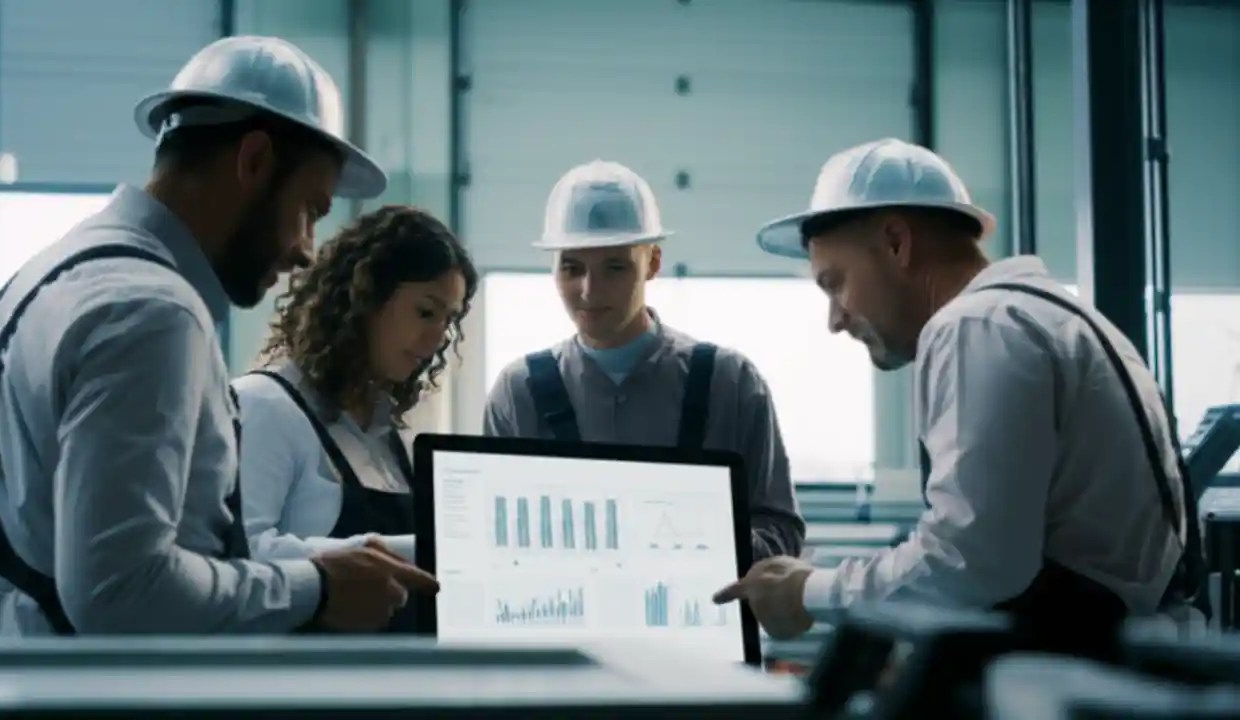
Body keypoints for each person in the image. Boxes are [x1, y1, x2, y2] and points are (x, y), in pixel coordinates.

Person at [0, 35, 438, 636]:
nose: (306, 252)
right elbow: (121, 591)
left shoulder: (38, 283)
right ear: (255, 161)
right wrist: (314, 589)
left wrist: (321, 564)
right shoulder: (152, 313)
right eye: (311, 210)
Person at [713, 138, 1207, 650]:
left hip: (1087, 672)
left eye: (834, 283)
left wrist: (808, 592)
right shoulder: (1045, 316)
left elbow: (971, 560)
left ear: (897, 243)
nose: (835, 319)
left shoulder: (977, 325)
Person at [483, 159, 805, 562]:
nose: (588, 290)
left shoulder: (732, 384)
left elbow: (781, 534)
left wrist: (695, 544)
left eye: (614, 267)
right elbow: (494, 543)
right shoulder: (518, 393)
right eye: (572, 268)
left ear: (652, 262)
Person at [231, 204, 477, 632]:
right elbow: (238, 560)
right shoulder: (264, 407)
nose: (438, 337)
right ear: (364, 297)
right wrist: (412, 552)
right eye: (425, 311)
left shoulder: (389, 438)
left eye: (448, 320)